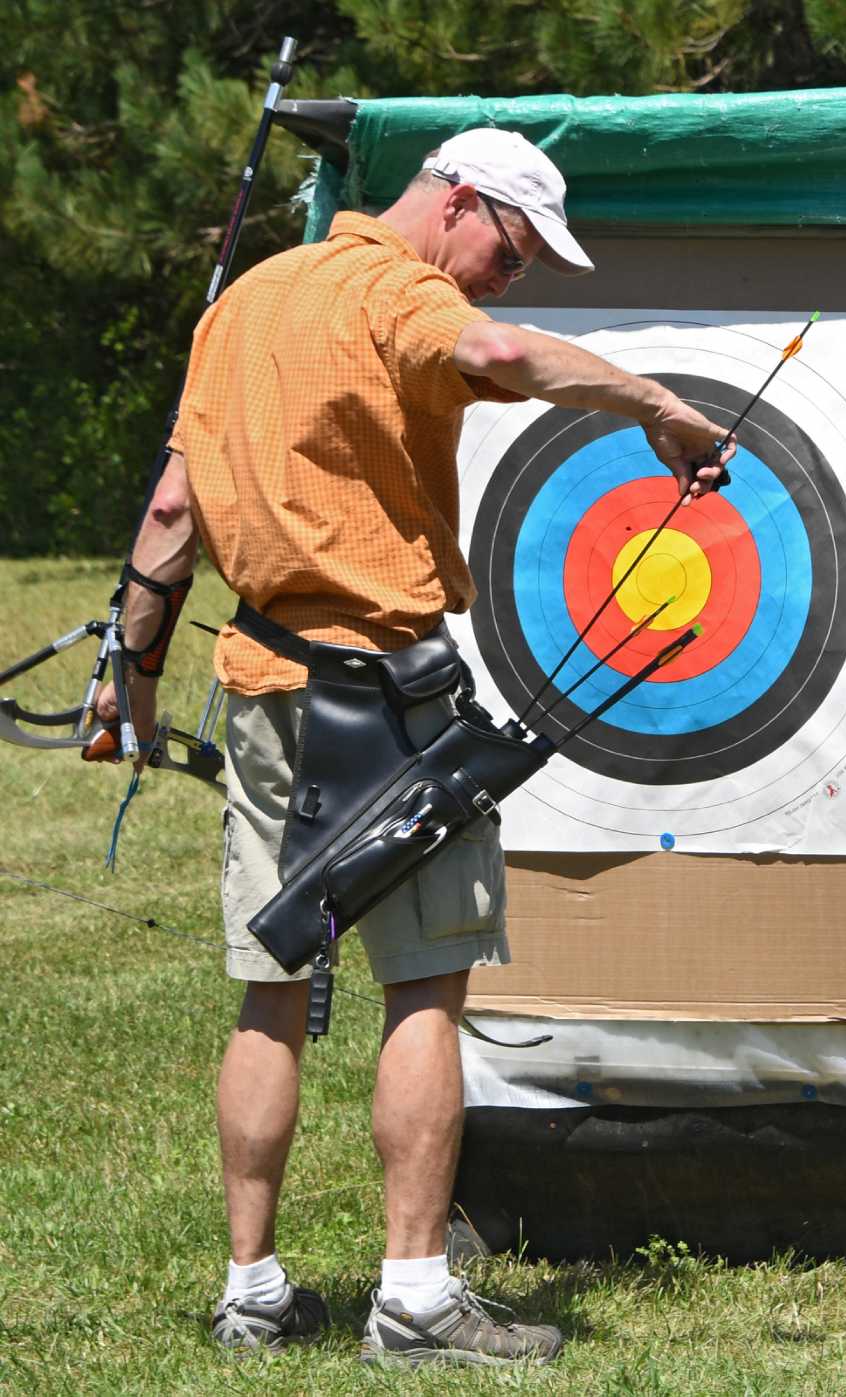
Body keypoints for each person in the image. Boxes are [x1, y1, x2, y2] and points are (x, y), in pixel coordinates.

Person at [92, 127, 733, 1366]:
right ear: (457, 201)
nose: (516, 274)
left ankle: (251, 1289)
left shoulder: (246, 303)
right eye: (514, 243)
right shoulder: (402, 290)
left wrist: (133, 673)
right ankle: (417, 1296)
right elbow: (489, 348)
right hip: (388, 694)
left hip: (267, 681)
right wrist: (655, 405)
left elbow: (172, 509)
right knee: (424, 983)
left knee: (269, 986)